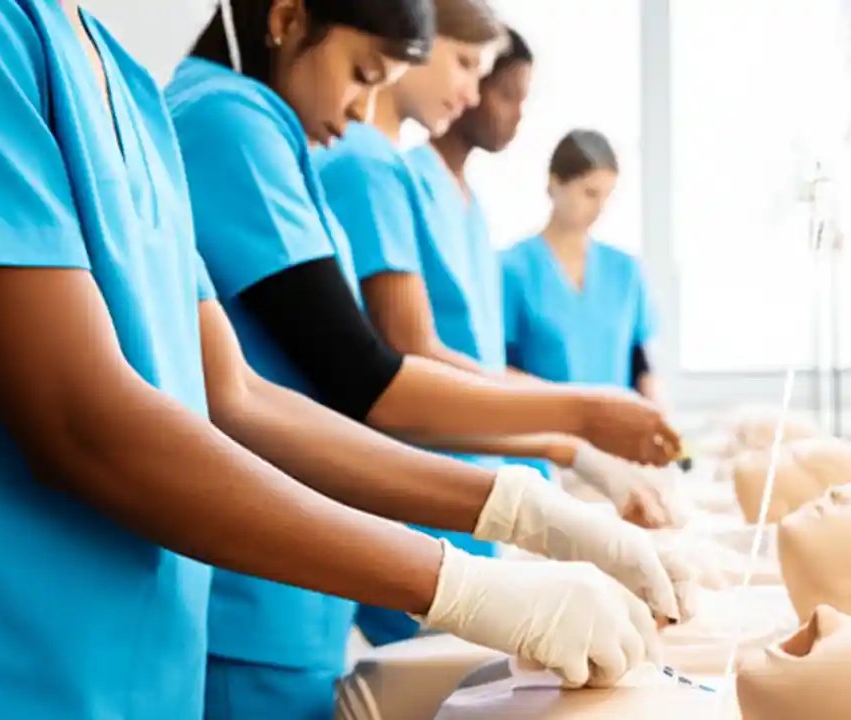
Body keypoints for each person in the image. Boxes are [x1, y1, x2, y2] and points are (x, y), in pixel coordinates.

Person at [0, 1, 678, 716]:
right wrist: (462, 582)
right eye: (362, 76)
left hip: (147, 667)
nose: (364, 111)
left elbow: (237, 396)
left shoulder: (125, 88)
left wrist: (524, 510)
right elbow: (80, 418)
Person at [168, 1, 686, 716]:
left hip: (295, 581)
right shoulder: (229, 123)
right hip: (254, 588)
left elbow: (278, 388)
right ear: (286, 17)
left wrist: (545, 484)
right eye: (361, 74)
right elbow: (355, 379)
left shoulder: (262, 128)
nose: (357, 111)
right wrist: (567, 441)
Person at [320, 1, 682, 644]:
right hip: (419, 495)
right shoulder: (376, 171)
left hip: (479, 494)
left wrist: (573, 444)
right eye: (472, 69)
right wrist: (574, 428)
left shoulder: (462, 204)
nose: (483, 95)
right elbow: (405, 363)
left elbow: (482, 365)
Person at [499, 129, 664, 403]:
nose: (599, 208)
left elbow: (643, 367)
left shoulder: (626, 271)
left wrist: (658, 419)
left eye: (606, 196)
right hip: (545, 434)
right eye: (589, 193)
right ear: (555, 184)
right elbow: (499, 367)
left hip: (617, 434)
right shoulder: (512, 269)